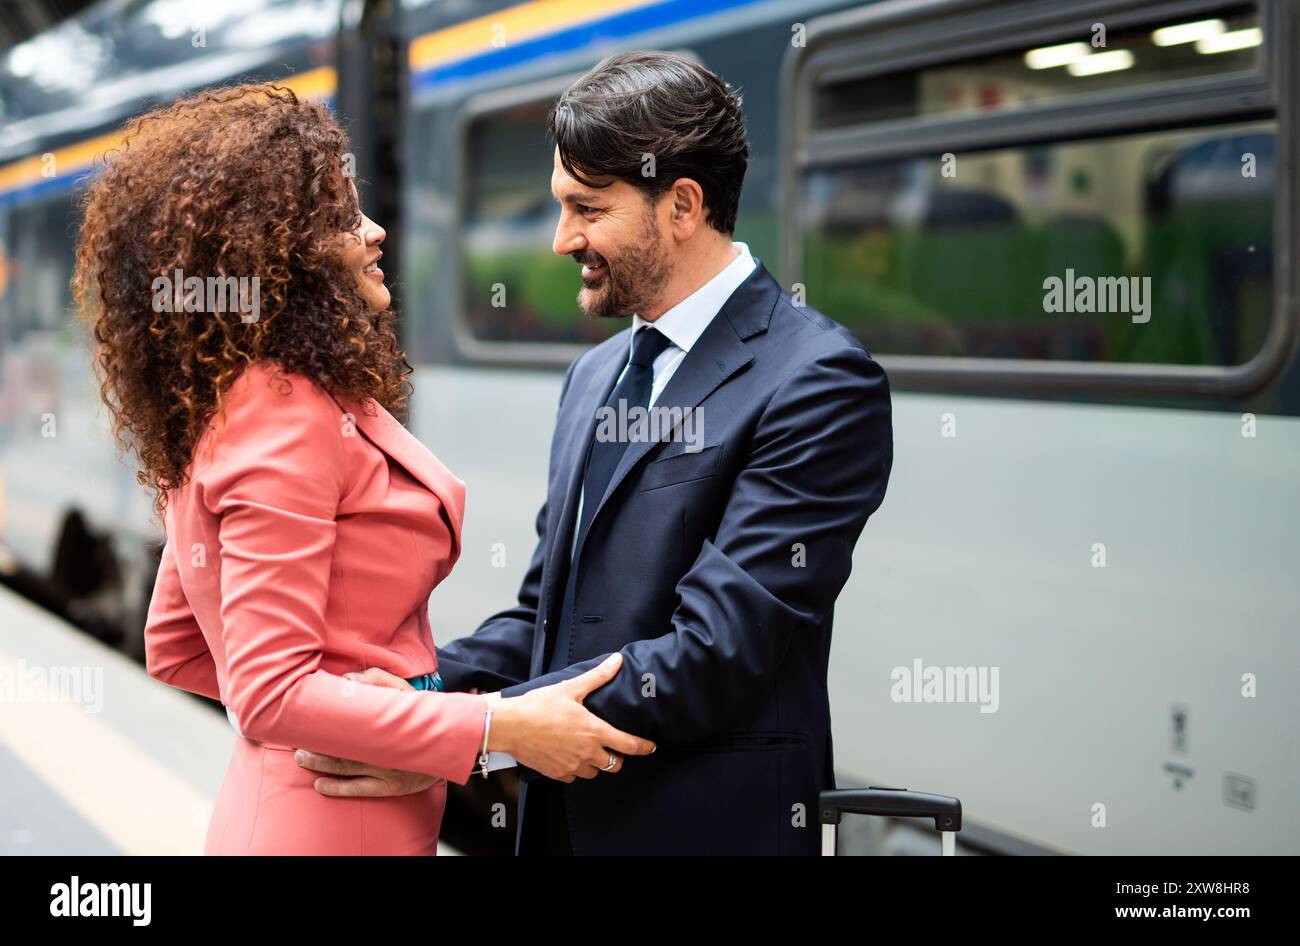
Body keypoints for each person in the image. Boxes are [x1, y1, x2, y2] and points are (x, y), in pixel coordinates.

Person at [300, 51, 893, 855]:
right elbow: (546, 614)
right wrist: (419, 691)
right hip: (561, 832)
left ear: (681, 205)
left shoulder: (819, 382)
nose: (559, 240)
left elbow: (715, 651)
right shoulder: (596, 376)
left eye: (586, 208)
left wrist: (466, 737)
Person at [72, 83, 654, 856]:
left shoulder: (243, 395)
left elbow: (178, 644)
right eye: (343, 217)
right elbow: (269, 689)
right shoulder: (282, 409)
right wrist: (489, 729)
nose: (375, 232)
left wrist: (387, 723)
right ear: (276, 253)